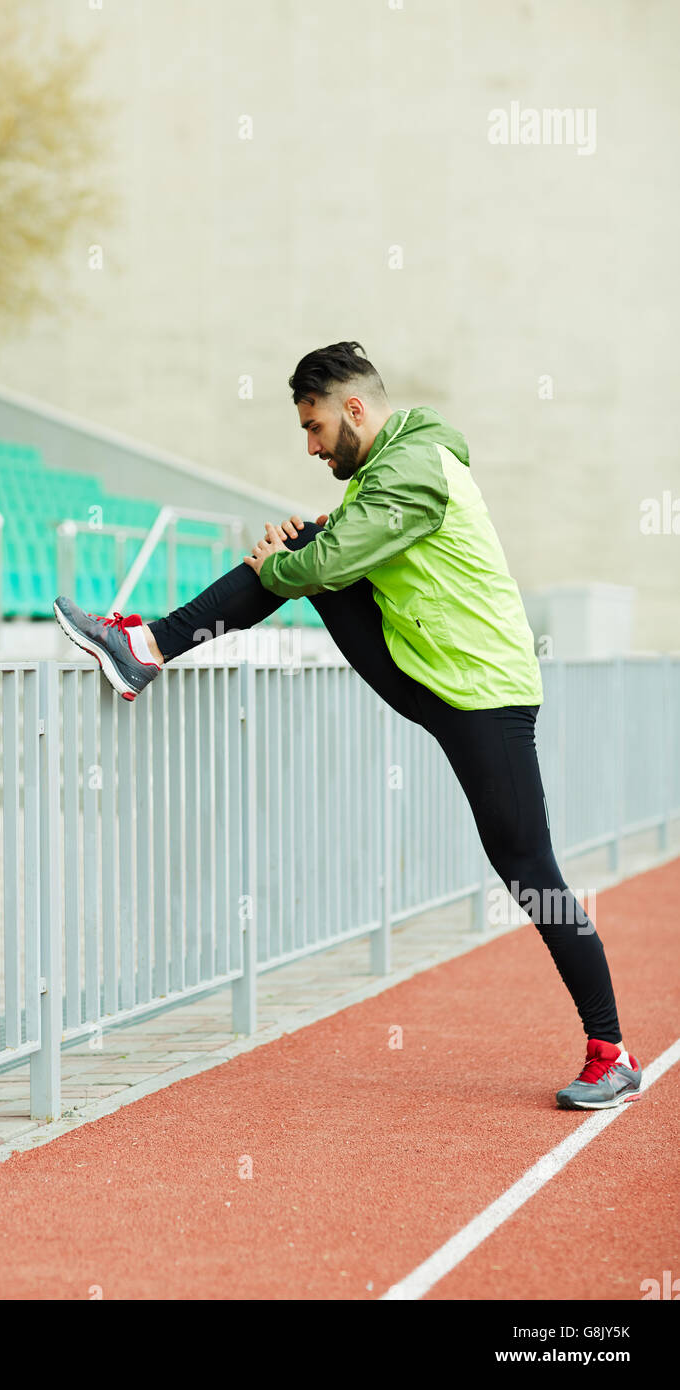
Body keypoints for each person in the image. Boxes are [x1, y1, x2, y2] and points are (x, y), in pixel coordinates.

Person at [53, 340, 642, 1112]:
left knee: (532, 872)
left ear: (354, 410)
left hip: (482, 694)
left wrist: (282, 564)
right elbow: (326, 560)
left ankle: (614, 1052)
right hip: (433, 674)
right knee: (301, 550)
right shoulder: (389, 472)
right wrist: (290, 560)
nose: (310, 445)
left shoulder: (414, 471)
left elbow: (325, 569)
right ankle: (148, 648)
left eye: (315, 427)